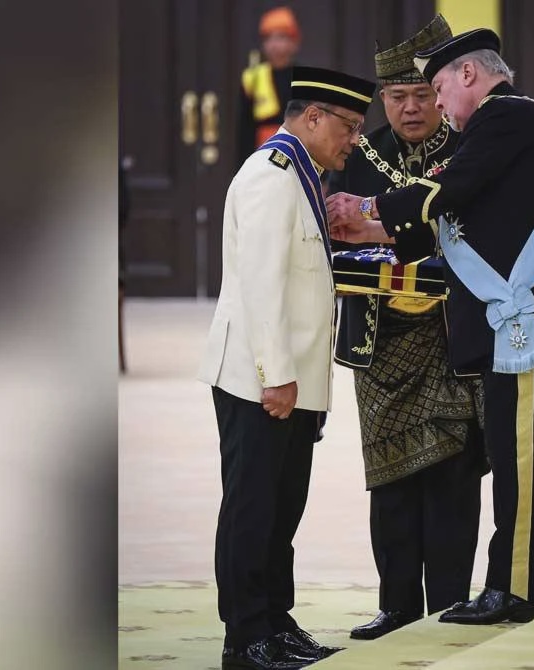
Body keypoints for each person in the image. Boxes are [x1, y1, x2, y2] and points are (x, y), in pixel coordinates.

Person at [327, 29, 534, 625]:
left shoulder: (506, 117)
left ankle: (516, 589)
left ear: (468, 75)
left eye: (439, 88)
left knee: (520, 461)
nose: (437, 104)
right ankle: (504, 584)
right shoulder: (500, 124)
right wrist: (376, 228)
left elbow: (450, 190)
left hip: (523, 322)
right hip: (506, 323)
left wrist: (369, 210)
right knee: (509, 455)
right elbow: (460, 215)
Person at [198, 65, 376, 670]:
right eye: (348, 127)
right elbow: (261, 285)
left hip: (289, 382)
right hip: (260, 379)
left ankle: (275, 621)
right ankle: (244, 637)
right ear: (313, 117)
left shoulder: (301, 174)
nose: (354, 140)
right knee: (252, 509)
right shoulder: (270, 177)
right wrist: (276, 374)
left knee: (282, 509)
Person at [325, 15, 488, 641]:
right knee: (389, 475)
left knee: (451, 471)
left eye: (422, 94)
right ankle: (396, 604)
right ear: (381, 101)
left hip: (451, 336)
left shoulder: (472, 147)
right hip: (383, 338)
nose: (412, 108)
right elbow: (337, 235)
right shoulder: (360, 158)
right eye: (397, 98)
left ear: (441, 93)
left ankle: (451, 599)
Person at [237, 7, 302, 165]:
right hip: (262, 152)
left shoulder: (303, 77)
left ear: (294, 42)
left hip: (296, 150)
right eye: (268, 38)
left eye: (280, 37)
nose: (274, 44)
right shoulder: (254, 78)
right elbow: (244, 129)